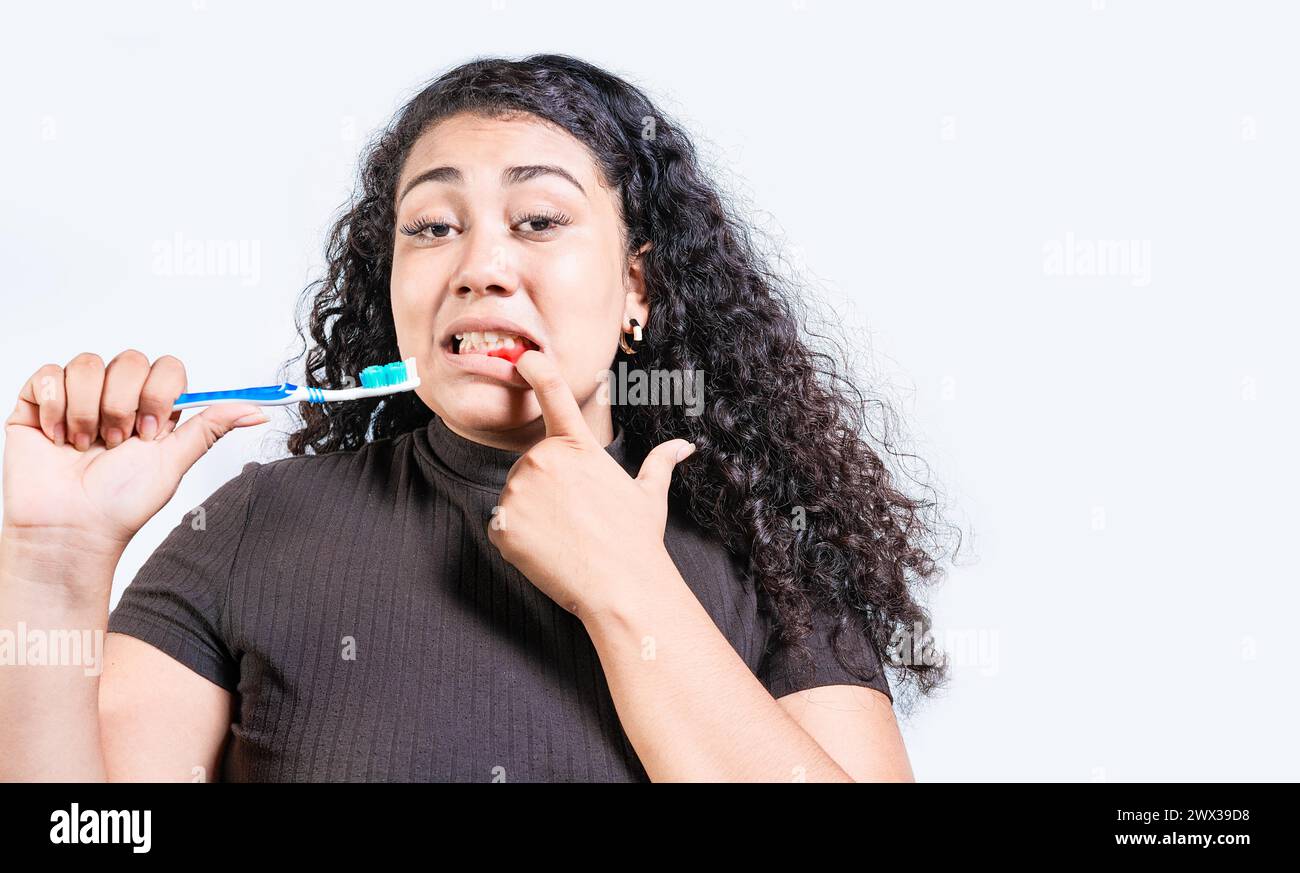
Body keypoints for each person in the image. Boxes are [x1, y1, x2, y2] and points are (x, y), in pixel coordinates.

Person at [0, 54, 947, 782]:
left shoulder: (765, 558)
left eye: (538, 221)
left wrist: (627, 588)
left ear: (637, 288)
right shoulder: (250, 529)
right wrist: (52, 564)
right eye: (433, 226)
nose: (480, 265)